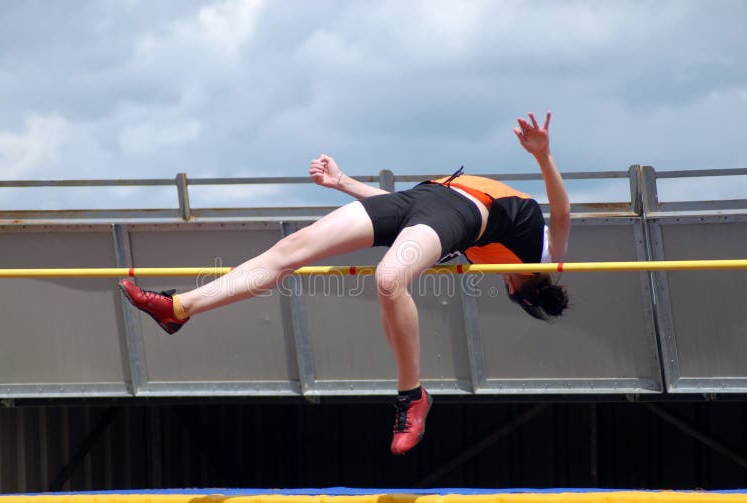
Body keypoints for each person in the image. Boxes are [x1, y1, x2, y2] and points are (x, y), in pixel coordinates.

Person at [119, 112, 570, 455]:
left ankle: (413, 396)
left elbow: (548, 215)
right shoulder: (528, 255)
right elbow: (419, 213)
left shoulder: (539, 255)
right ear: (516, 292)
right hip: (423, 198)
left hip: (460, 213)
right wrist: (343, 183)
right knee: (291, 249)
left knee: (391, 278)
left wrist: (543, 156)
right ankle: (178, 308)